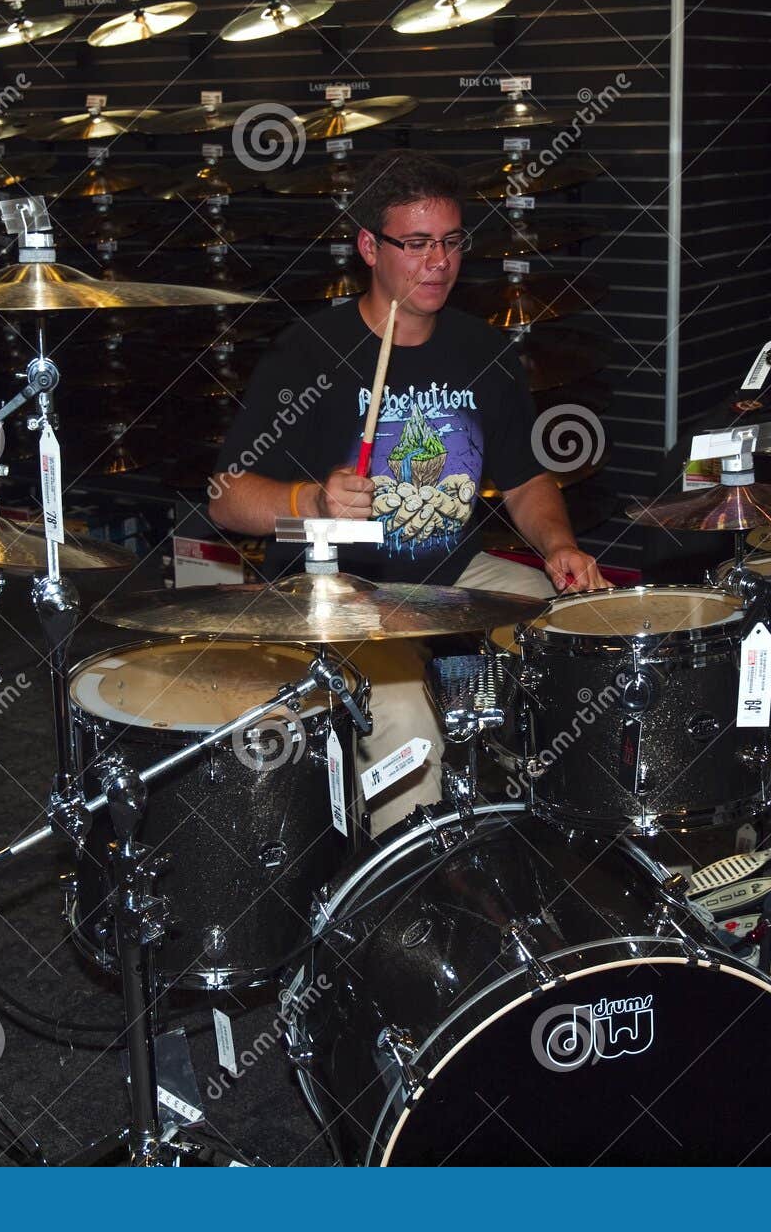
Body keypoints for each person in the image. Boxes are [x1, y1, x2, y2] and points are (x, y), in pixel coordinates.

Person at [209, 148, 609, 831]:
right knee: (403, 715)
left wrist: (559, 545)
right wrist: (312, 502)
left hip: (452, 573)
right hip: (344, 592)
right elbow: (226, 497)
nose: (439, 262)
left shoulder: (485, 351)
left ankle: (560, 837)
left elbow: (526, 478)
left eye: (451, 242)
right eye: (417, 244)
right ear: (369, 246)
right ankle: (413, 897)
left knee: (581, 638)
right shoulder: (307, 354)